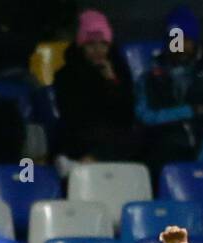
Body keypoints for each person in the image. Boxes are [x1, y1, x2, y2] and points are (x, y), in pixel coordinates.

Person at [135, 5, 203, 169]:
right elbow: (145, 115)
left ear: (194, 40)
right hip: (165, 149)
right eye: (174, 38)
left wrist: (200, 158)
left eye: (184, 38)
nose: (178, 44)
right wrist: (188, 111)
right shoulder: (152, 72)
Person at [52, 9, 139, 164]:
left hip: (115, 135)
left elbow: (127, 113)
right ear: (81, 46)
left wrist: (112, 81)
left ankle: (87, 162)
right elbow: (72, 116)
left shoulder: (119, 70)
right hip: (82, 133)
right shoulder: (66, 75)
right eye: (91, 44)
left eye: (103, 44)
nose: (98, 50)